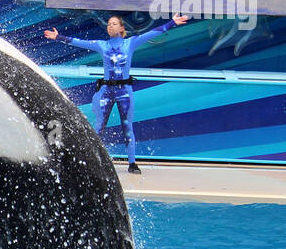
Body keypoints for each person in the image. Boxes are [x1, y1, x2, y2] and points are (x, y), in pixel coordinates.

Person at [43, 14, 189, 173]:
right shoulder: (102, 45)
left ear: (121, 28)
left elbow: (153, 32)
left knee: (127, 127)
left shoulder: (130, 43)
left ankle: (132, 163)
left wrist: (172, 23)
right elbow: (80, 43)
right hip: (106, 91)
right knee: (99, 127)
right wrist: (58, 37)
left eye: (114, 24)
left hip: (124, 92)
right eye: (108, 24)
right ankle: (93, 161)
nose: (110, 26)